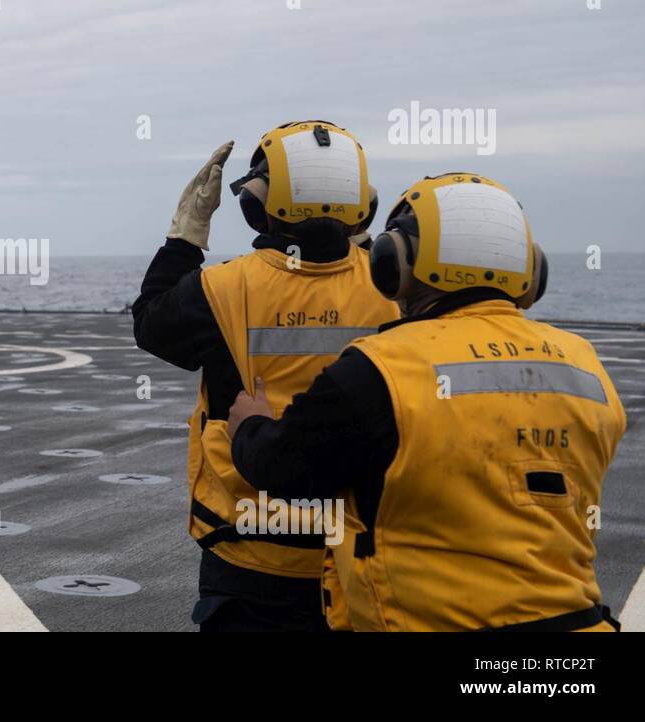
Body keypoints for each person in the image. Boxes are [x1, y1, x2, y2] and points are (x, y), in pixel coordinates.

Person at [228, 172, 627, 631]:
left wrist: (250, 427)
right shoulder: (583, 363)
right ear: (531, 270)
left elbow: (285, 469)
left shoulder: (380, 368)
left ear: (392, 263)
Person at [133, 121, 398, 631]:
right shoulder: (394, 290)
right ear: (363, 204)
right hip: (362, 547)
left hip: (248, 551)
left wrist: (185, 236)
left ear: (258, 202)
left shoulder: (221, 286)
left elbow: (152, 325)